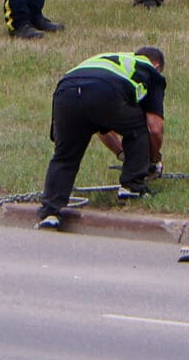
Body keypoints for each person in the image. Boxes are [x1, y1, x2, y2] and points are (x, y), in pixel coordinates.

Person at [37, 47, 167, 230]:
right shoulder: (150, 71)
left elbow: (101, 127)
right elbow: (154, 128)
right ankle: (132, 187)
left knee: (65, 156)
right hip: (104, 91)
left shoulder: (111, 59)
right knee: (139, 127)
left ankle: (50, 213)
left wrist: (122, 153)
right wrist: (152, 160)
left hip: (66, 91)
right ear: (157, 65)